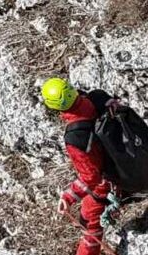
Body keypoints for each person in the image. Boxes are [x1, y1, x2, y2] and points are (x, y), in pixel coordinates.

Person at [41, 77, 117, 255]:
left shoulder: (76, 137)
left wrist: (68, 197)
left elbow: (91, 177)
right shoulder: (98, 98)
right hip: (130, 159)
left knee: (89, 220)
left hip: (110, 180)